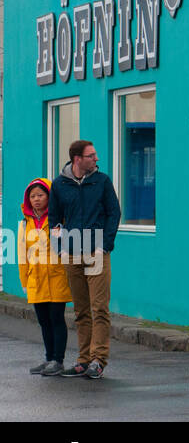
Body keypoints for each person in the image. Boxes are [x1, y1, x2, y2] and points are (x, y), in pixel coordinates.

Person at [49, 140, 120, 380]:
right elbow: (55, 220)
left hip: (96, 251)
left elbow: (114, 213)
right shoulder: (59, 184)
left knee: (99, 307)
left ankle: (98, 360)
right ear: (77, 159)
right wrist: (60, 248)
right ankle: (83, 359)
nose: (96, 159)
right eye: (91, 156)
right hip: (72, 252)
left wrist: (105, 246)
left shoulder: (102, 181)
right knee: (80, 310)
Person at [17, 177, 73, 376]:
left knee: (56, 318)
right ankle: (49, 358)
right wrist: (25, 281)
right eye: (32, 196)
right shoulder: (25, 223)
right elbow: (22, 254)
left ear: (49, 196)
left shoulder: (59, 220)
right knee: (43, 320)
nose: (37, 199)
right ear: (28, 199)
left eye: (41, 195)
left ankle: (58, 360)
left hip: (57, 276)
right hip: (36, 278)